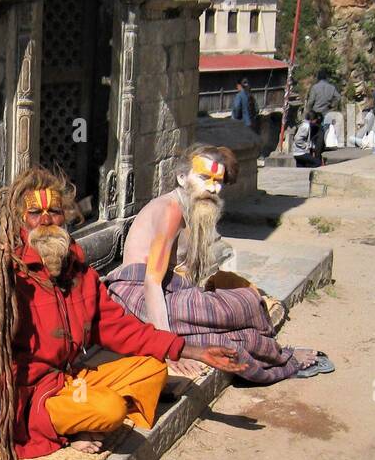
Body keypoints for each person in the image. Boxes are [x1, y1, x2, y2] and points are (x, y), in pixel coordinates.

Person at [0, 167, 242, 460]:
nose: (45, 221)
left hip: (69, 380)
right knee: (109, 408)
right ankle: (74, 426)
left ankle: (81, 417)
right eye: (34, 213)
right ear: (20, 220)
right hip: (27, 399)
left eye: (54, 212)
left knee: (152, 370)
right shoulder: (7, 272)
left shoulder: (80, 274)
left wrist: (194, 350)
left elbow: (124, 329)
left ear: (66, 217)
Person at [106, 147, 327, 384]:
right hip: (136, 297)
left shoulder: (190, 207)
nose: (212, 188)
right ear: (182, 178)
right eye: (203, 178)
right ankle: (281, 358)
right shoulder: (171, 210)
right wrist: (170, 351)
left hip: (167, 294)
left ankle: (277, 354)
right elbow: (151, 282)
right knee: (241, 305)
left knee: (237, 314)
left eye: (217, 181)